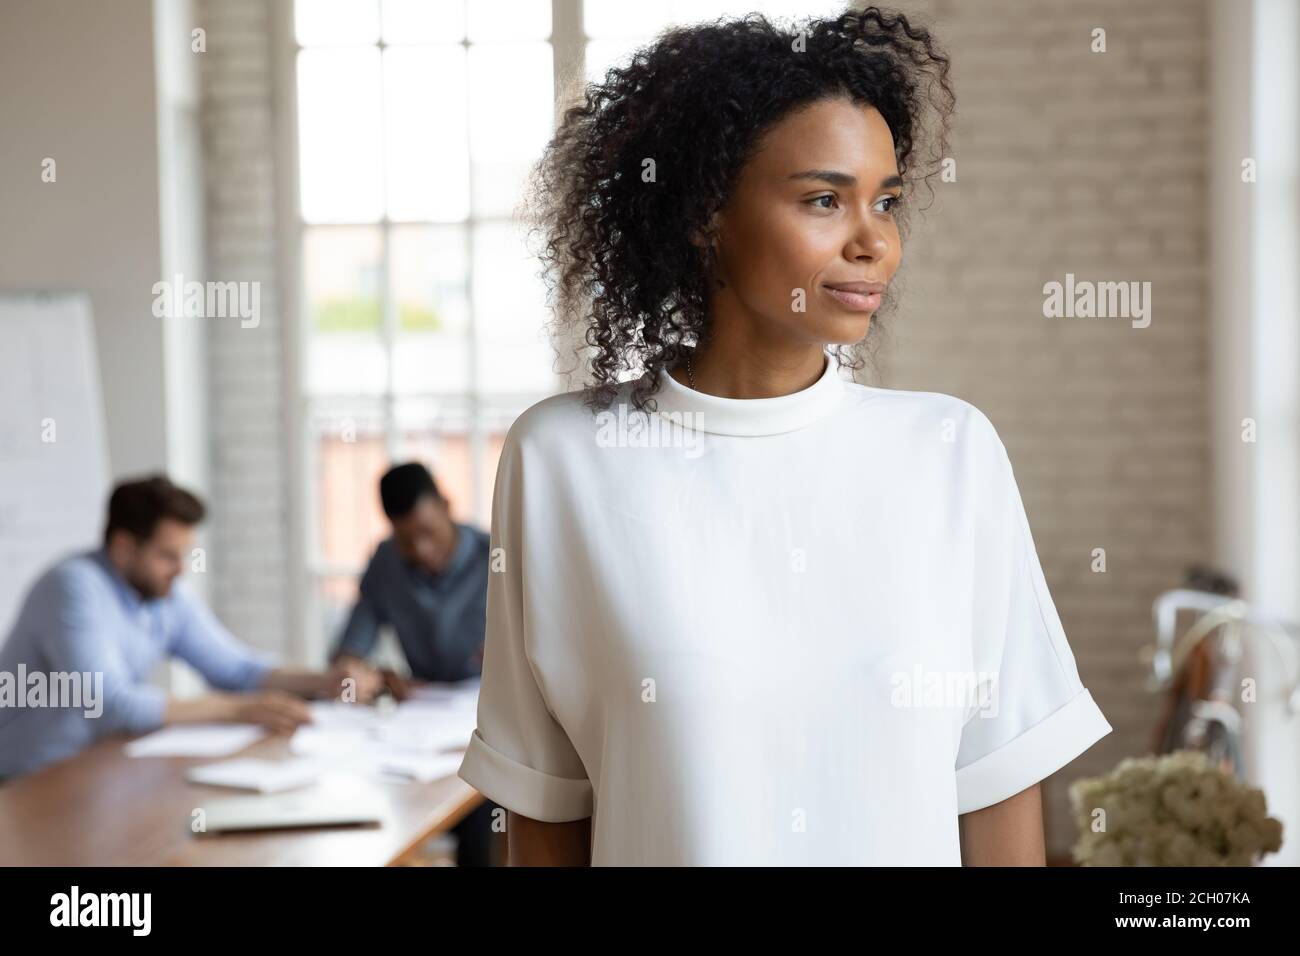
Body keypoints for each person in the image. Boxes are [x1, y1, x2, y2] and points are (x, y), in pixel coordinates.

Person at [456, 10, 1112, 866]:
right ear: (704, 216)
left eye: (885, 201)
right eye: (823, 200)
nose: (874, 240)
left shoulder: (950, 453)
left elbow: (997, 795)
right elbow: (546, 812)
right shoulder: (562, 461)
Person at [0, 475, 382, 780]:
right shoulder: (72, 587)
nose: (181, 570)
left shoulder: (162, 594)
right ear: (122, 547)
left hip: (98, 771)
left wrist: (326, 682)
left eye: (184, 555)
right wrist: (239, 710)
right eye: (167, 556)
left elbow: (237, 669)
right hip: (26, 783)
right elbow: (110, 705)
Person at [330, 462, 500, 866]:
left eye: (428, 533)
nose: (422, 551)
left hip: (485, 720)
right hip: (417, 727)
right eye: (406, 540)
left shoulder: (497, 555)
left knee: (480, 804)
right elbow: (349, 650)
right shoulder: (386, 562)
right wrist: (360, 673)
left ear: (446, 506)